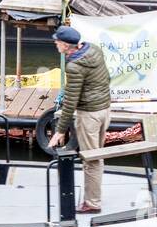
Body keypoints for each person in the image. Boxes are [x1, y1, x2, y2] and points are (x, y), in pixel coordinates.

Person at [47, 24, 112, 214]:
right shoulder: (93, 49)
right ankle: (94, 196)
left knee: (91, 159)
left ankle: (92, 203)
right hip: (104, 110)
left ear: (66, 45)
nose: (55, 44)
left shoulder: (74, 66)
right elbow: (105, 78)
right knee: (97, 155)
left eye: (57, 41)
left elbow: (70, 101)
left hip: (89, 115)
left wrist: (60, 131)